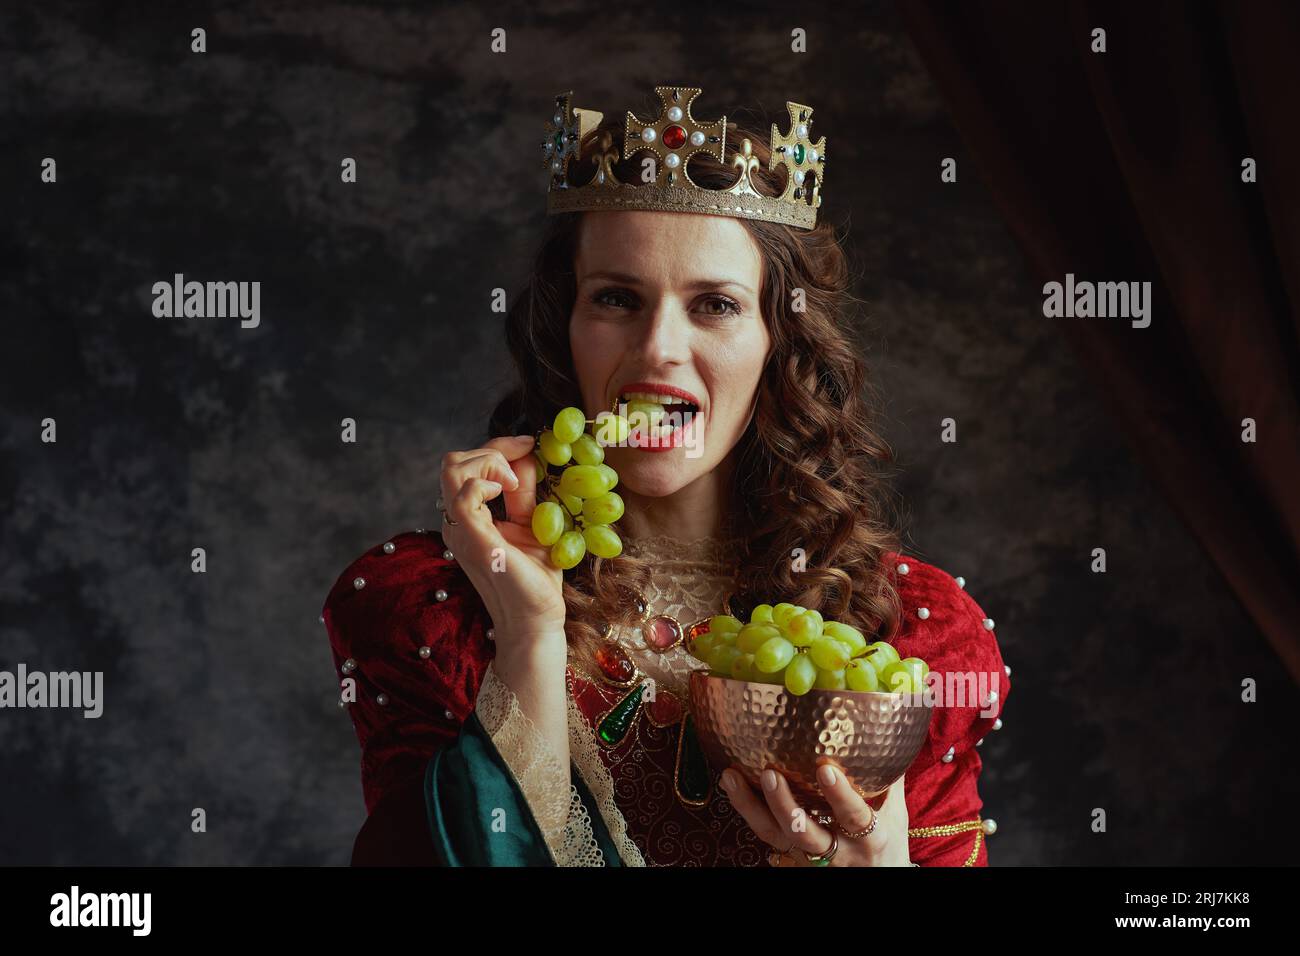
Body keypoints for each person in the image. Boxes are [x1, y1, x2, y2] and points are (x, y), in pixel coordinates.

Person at [322, 86, 1010, 866]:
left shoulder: (918, 635)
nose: (657, 350)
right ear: (565, 327)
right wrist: (528, 637)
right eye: (617, 298)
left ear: (778, 343)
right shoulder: (435, 610)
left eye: (714, 304)